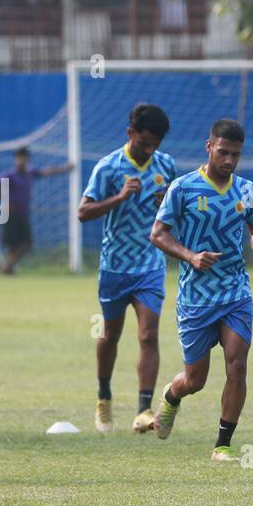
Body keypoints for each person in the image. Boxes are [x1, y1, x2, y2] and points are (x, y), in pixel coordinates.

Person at [150, 119, 253, 460]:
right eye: (223, 152)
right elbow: (158, 234)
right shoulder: (183, 188)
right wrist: (190, 256)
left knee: (237, 364)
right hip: (196, 297)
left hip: (235, 292)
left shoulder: (246, 189)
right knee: (195, 380)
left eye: (236, 155)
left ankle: (222, 444)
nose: (230, 161)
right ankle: (172, 397)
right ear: (209, 147)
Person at [78, 103, 176, 434]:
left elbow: (174, 211)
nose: (148, 150)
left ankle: (144, 409)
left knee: (148, 334)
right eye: (143, 142)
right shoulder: (109, 167)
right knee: (110, 334)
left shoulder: (166, 166)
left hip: (150, 264)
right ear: (129, 133)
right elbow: (83, 211)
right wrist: (119, 197)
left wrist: (168, 205)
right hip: (115, 266)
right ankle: (104, 396)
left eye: (154, 144)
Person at [0, 146, 72, 275]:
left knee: (27, 244)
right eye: (19, 157)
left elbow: (47, 171)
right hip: (10, 214)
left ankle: (7, 265)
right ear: (16, 159)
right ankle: (9, 269)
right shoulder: (9, 174)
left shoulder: (30, 172)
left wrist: (65, 168)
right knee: (12, 244)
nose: (22, 160)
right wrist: (5, 201)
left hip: (23, 213)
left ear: (27, 159)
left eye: (24, 158)